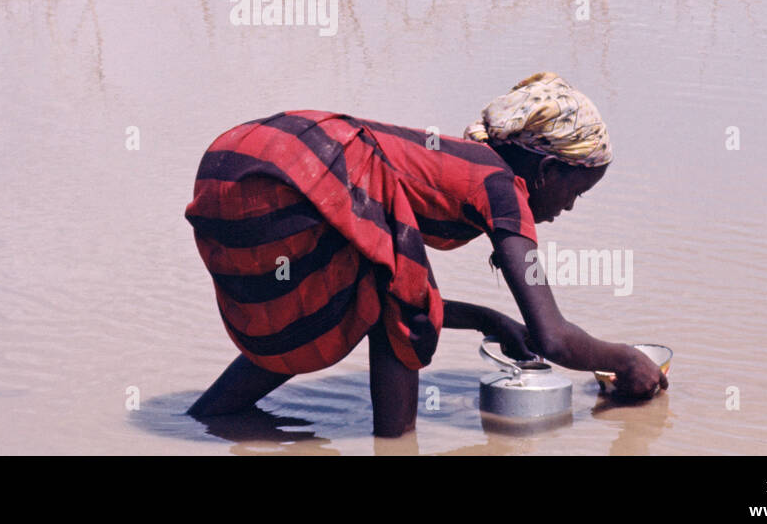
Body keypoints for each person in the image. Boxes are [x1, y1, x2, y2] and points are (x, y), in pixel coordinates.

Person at [184, 71, 667, 437]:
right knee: (402, 314)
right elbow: (554, 336)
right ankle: (396, 444)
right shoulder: (503, 188)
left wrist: (490, 320)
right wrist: (626, 361)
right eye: (576, 191)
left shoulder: (466, 164)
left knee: (370, 294)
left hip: (240, 162)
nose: (569, 206)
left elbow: (391, 285)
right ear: (545, 170)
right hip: (293, 171)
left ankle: (206, 421)